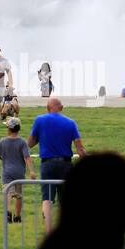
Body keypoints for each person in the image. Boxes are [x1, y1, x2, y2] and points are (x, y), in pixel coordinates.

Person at [28, 96, 86, 234]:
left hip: (47, 164)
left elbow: (30, 142)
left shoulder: (40, 120)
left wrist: (21, 151)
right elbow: (80, 148)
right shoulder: (71, 123)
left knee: (47, 198)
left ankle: (49, 231)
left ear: (47, 108)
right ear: (61, 108)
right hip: (66, 164)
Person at [0, 118, 36, 223]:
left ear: (9, 129)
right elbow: (27, 157)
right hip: (19, 171)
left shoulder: (2, 141)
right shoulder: (23, 142)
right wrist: (31, 171)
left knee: (8, 192)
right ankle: (18, 216)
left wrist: (4, 158)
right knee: (19, 195)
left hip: (6, 172)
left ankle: (8, 212)